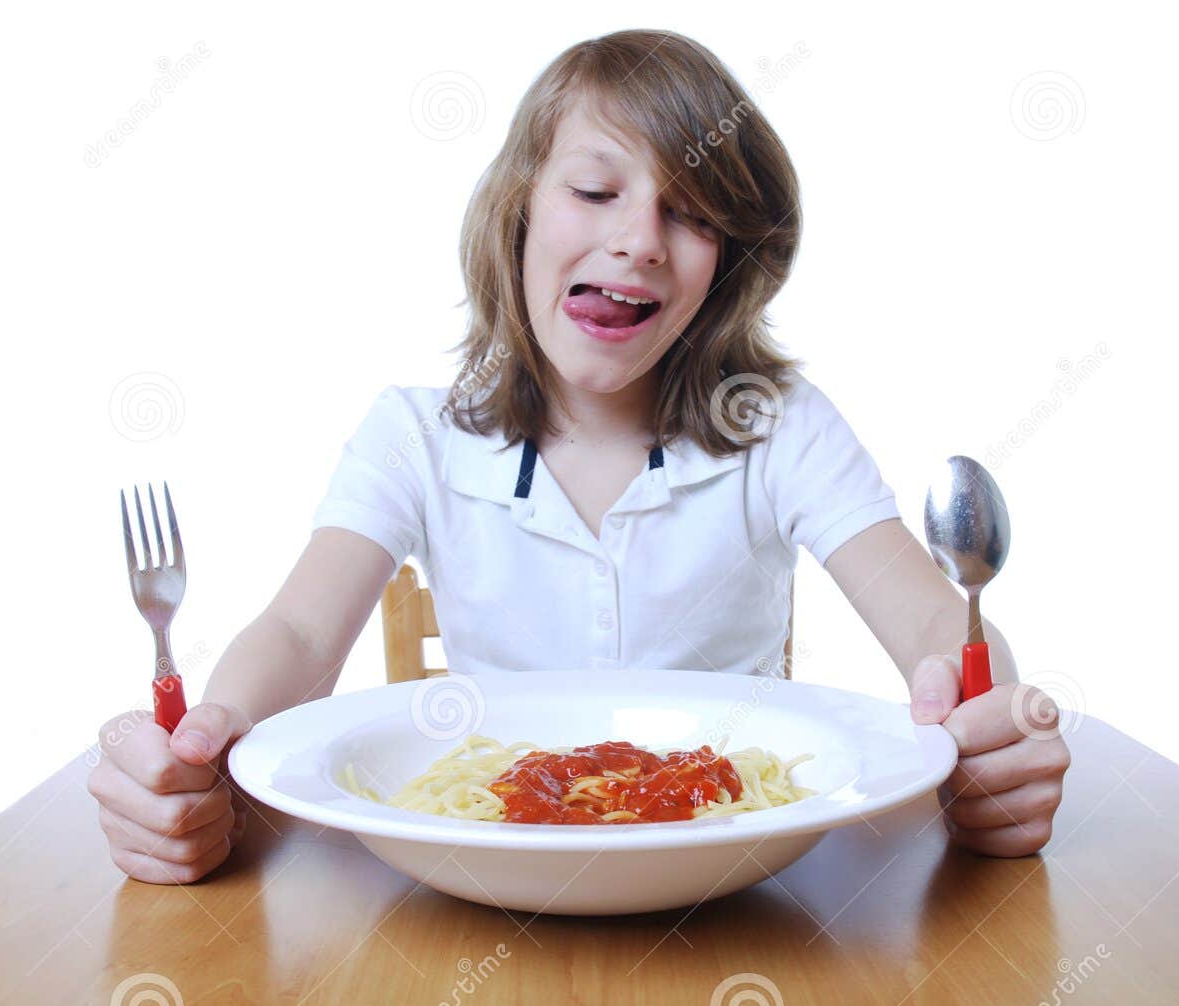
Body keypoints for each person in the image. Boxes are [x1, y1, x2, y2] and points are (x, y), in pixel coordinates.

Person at [91, 29, 1070, 884]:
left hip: (733, 873)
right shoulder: (415, 435)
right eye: (597, 190)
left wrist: (983, 723)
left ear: (726, 261)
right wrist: (205, 746)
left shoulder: (779, 427)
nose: (639, 240)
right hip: (485, 866)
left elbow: (936, 617)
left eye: (691, 214)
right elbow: (301, 635)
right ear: (519, 210)